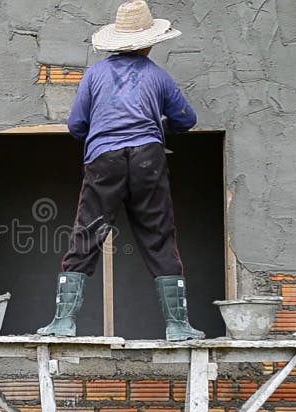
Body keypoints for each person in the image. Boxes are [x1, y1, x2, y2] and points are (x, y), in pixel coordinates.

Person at [37, 0, 205, 341]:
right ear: (149, 42)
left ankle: (63, 323)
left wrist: (101, 137)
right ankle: (177, 326)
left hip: (104, 160)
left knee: (88, 233)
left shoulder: (95, 75)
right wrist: (159, 125)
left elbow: (75, 125)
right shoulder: (158, 76)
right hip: (149, 158)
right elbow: (187, 120)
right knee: (158, 236)